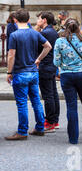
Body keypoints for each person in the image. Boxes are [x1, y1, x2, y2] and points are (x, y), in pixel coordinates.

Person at [4, 9, 52, 141]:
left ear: (15, 20)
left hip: (20, 72)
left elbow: (11, 55)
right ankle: (40, 127)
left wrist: (9, 72)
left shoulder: (14, 35)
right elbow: (48, 46)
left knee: (22, 103)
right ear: (29, 20)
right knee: (36, 100)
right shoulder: (34, 33)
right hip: (33, 72)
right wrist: (38, 59)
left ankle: (22, 131)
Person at [36, 11, 60, 133]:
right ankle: (55, 120)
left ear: (44, 20)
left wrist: (38, 59)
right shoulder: (53, 32)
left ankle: (50, 122)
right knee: (53, 94)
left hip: (44, 66)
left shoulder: (44, 33)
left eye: (39, 19)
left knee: (48, 95)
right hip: (52, 65)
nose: (37, 21)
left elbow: (37, 48)